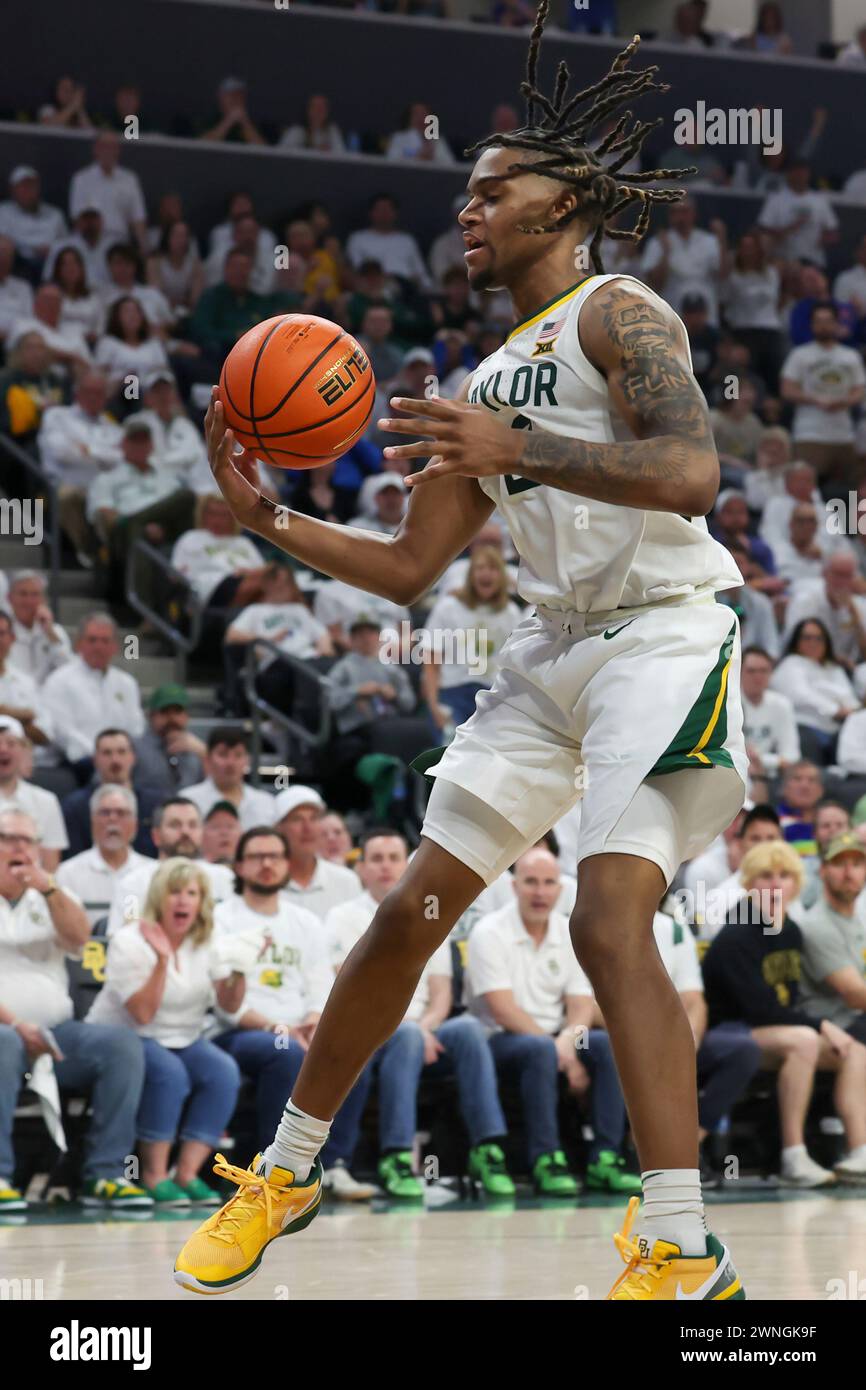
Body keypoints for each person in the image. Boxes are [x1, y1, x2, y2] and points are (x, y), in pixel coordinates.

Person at [174, 19, 749, 1303]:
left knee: (607, 920)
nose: (470, 209)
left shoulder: (618, 310)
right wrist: (262, 514)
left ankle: (678, 1243)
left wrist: (515, 449)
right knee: (406, 912)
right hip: (551, 654)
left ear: (570, 200)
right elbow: (402, 568)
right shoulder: (487, 375)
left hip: (661, 628)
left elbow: (691, 473)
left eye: (494, 188)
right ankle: (288, 1171)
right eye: (466, 192)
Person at [324, 829, 514, 1198]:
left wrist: (425, 1027)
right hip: (369, 1036)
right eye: (376, 859)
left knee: (469, 1028)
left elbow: (442, 994)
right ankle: (396, 1156)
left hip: (424, 1032)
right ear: (361, 868)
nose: (386, 867)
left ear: (408, 864)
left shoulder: (431, 911)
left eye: (394, 858)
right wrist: (412, 1028)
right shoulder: (342, 917)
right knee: (407, 1035)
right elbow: (347, 990)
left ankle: (487, 1149)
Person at [0, 807, 150, 1212]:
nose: (19, 848)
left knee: (120, 1045)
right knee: (5, 1044)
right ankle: (0, 1175)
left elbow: (81, 939)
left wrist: (48, 890)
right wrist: (16, 1025)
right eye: (8, 838)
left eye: (27, 841)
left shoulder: (53, 893)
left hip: (56, 1034)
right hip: (5, 1034)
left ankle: (107, 1174)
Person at [468, 848, 642, 1196]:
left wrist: (568, 1043)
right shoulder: (489, 931)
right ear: (514, 886)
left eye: (549, 883)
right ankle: (546, 1158)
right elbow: (502, 1009)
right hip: (499, 1040)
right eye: (531, 882)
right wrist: (559, 1051)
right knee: (537, 1050)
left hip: (559, 1037)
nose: (540, 892)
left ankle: (605, 1157)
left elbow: (581, 1004)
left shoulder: (570, 931)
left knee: (605, 1043)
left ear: (560, 890)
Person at [702, 841, 866, 1186]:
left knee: (854, 1050)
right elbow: (760, 1010)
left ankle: (858, 1152)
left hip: (776, 1032)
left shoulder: (790, 931)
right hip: (730, 1032)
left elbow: (784, 1006)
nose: (775, 885)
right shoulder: (737, 935)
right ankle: (793, 1155)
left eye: (784, 876)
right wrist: (821, 1024)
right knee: (806, 1040)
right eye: (765, 876)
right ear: (748, 883)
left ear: (796, 883)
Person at [87, 858, 246, 1204]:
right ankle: (153, 1174)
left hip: (184, 1037)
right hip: (127, 1038)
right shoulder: (129, 940)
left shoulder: (208, 939)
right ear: (159, 898)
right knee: (170, 1074)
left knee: (222, 1072)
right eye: (175, 892)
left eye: (192, 893)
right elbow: (142, 1014)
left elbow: (229, 1006)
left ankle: (186, 1173)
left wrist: (240, 969)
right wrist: (161, 960)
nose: (183, 900)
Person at [212, 828, 344, 1157]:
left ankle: (337, 1163)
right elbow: (225, 1005)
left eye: (274, 856)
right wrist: (279, 1027)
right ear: (239, 867)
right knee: (284, 1050)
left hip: (300, 1029)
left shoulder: (307, 922)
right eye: (257, 857)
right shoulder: (220, 919)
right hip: (238, 1033)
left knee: (348, 1051)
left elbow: (321, 988)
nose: (266, 864)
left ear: (287, 864)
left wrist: (313, 1024)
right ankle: (272, 1168)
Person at [420, 546, 521, 731]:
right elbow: (431, 658)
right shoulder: (448, 607)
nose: (486, 574)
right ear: (470, 575)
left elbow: (514, 666)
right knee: (447, 752)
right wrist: (433, 705)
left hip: (492, 696)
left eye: (493, 569)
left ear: (502, 577)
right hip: (452, 692)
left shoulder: (511, 613)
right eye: (480, 568)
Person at [107, 797, 234, 936]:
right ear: (156, 836)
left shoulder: (224, 878)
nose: (185, 831)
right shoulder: (133, 884)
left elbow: (236, 932)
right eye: (175, 825)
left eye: (192, 825)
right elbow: (123, 935)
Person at [37, 371, 122, 565]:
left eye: (99, 392)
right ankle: (89, 550)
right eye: (89, 391)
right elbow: (62, 452)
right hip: (67, 484)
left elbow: (121, 458)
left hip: (103, 489)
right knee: (69, 496)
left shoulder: (111, 426)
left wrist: (88, 450)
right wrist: (103, 454)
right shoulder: (57, 415)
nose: (94, 397)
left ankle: (112, 560)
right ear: (77, 393)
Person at [780, 303, 866, 489]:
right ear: (811, 325)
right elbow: (787, 389)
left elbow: (860, 390)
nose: (823, 326)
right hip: (810, 433)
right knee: (805, 489)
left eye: (828, 321)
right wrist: (815, 400)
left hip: (844, 434)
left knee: (850, 491)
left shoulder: (850, 356)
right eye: (818, 321)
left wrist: (845, 401)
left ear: (837, 323)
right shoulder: (800, 354)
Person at [42, 613, 145, 767]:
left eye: (105, 641)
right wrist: (101, 755)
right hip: (80, 763)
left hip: (123, 762)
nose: (99, 647)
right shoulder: (59, 681)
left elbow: (136, 728)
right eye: (92, 640)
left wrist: (119, 755)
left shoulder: (127, 683)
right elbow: (62, 732)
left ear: (115, 646)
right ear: (78, 644)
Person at [796, 833, 866, 1044]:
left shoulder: (856, 917)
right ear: (822, 870)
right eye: (838, 863)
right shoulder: (817, 924)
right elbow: (855, 994)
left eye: (856, 864)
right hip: (832, 1026)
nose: (849, 873)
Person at [56, 783, 150, 927]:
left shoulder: (151, 872)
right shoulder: (67, 873)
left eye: (121, 813)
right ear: (92, 821)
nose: (112, 819)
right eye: (105, 813)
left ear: (135, 824)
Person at [60, 727, 162, 858]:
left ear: (133, 757)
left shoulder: (155, 804)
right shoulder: (74, 806)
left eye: (122, 752)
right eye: (107, 753)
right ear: (95, 760)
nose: (115, 760)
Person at [771, 619, 858, 763]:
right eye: (807, 638)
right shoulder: (791, 663)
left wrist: (853, 711)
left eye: (819, 638)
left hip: (838, 729)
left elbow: (849, 697)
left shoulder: (834, 668)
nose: (813, 643)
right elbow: (801, 695)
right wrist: (835, 710)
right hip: (804, 726)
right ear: (796, 641)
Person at [272, 786, 361, 921]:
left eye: (314, 818)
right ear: (279, 828)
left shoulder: (347, 881)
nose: (307, 828)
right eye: (297, 819)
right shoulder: (265, 881)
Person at [0, 716, 68, 869]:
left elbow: (50, 867)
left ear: (24, 750)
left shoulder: (47, 801)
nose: (3, 749)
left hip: (32, 890)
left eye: (11, 743)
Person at [68, 132, 148, 254]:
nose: (108, 151)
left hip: (120, 245)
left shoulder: (130, 179)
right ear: (96, 149)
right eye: (104, 146)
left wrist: (144, 249)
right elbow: (77, 218)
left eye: (112, 147)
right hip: (90, 244)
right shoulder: (81, 179)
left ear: (118, 151)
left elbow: (138, 219)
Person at [180, 727, 275, 828]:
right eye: (223, 754)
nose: (230, 763)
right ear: (208, 759)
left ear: (247, 760)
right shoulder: (189, 801)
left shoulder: (265, 802)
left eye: (238, 755)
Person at [740, 646, 800, 797]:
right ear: (738, 672)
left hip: (771, 778)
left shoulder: (782, 704)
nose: (758, 677)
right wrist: (774, 761)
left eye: (763, 671)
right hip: (736, 772)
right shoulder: (728, 703)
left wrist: (759, 760)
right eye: (751, 671)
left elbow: (791, 757)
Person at [133, 684, 206, 797]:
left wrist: (204, 754)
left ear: (187, 716)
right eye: (165, 712)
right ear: (151, 716)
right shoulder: (134, 748)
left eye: (177, 712)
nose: (172, 718)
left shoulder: (197, 749)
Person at [3, 570, 72, 683]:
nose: (29, 601)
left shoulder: (56, 632)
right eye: (23, 594)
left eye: (35, 594)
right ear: (9, 598)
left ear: (43, 599)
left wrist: (50, 633)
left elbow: (69, 671)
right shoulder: (3, 632)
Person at [0, 610, 54, 749]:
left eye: (1, 633)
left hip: (30, 763)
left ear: (12, 638)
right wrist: (22, 717)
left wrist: (6, 714)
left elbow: (45, 734)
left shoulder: (26, 682)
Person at [0, 167, 66, 279]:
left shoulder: (55, 214)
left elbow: (66, 241)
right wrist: (31, 250)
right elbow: (4, 241)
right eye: (23, 186)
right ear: (13, 190)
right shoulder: (3, 211)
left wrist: (53, 249)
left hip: (51, 261)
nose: (28, 190)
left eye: (31, 186)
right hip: (19, 263)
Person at [201, 800, 242, 867]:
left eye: (230, 826)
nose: (224, 832)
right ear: (202, 836)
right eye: (216, 827)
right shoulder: (194, 871)